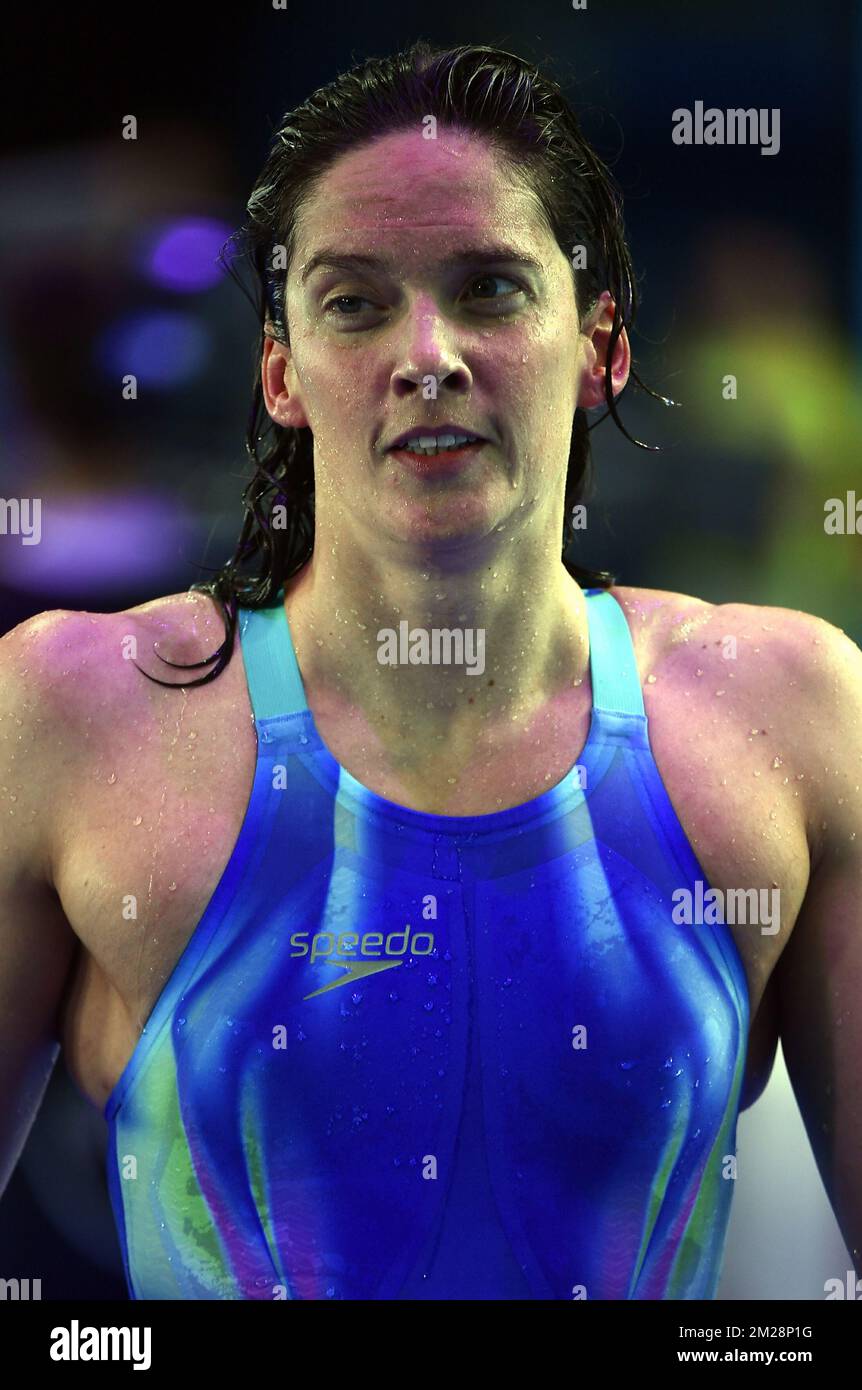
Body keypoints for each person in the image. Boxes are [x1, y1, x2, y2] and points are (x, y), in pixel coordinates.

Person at [1, 40, 860, 1301]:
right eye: (352, 301)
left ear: (599, 345)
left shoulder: (791, 716)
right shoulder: (71, 713)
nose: (426, 354)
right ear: (281, 370)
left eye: (490, 289)